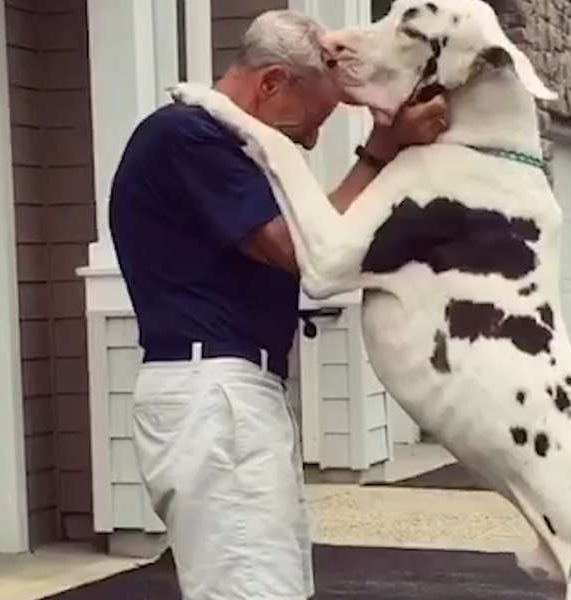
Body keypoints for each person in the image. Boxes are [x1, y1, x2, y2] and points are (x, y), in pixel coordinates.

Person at [108, 9, 448, 600]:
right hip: (215, 393)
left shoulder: (217, 144)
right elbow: (312, 256)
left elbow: (320, 240)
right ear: (269, 84)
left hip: (231, 394)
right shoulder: (190, 137)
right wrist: (383, 151)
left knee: (275, 584)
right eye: (312, 121)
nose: (312, 139)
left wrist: (383, 151)